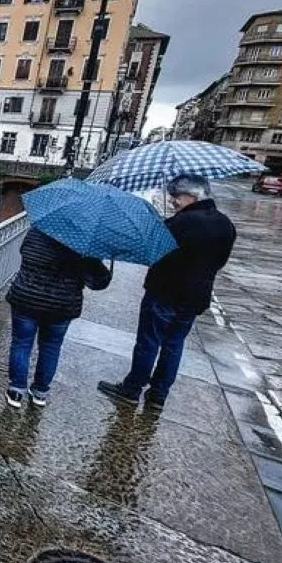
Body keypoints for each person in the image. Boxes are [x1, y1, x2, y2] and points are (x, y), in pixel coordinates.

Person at [98, 174, 236, 410]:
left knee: (148, 342)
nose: (172, 201)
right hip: (195, 298)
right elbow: (219, 263)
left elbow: (154, 252)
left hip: (164, 292)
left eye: (176, 196)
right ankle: (158, 396)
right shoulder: (226, 225)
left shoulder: (182, 223)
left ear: (192, 196)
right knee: (174, 345)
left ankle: (132, 389)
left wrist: (162, 226)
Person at [5, 226, 112, 408]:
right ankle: (40, 392)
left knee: (21, 343)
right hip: (62, 305)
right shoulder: (86, 242)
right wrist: (104, 272)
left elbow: (24, 252)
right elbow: (96, 282)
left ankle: (16, 390)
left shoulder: (39, 229)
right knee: (51, 347)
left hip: (27, 297)